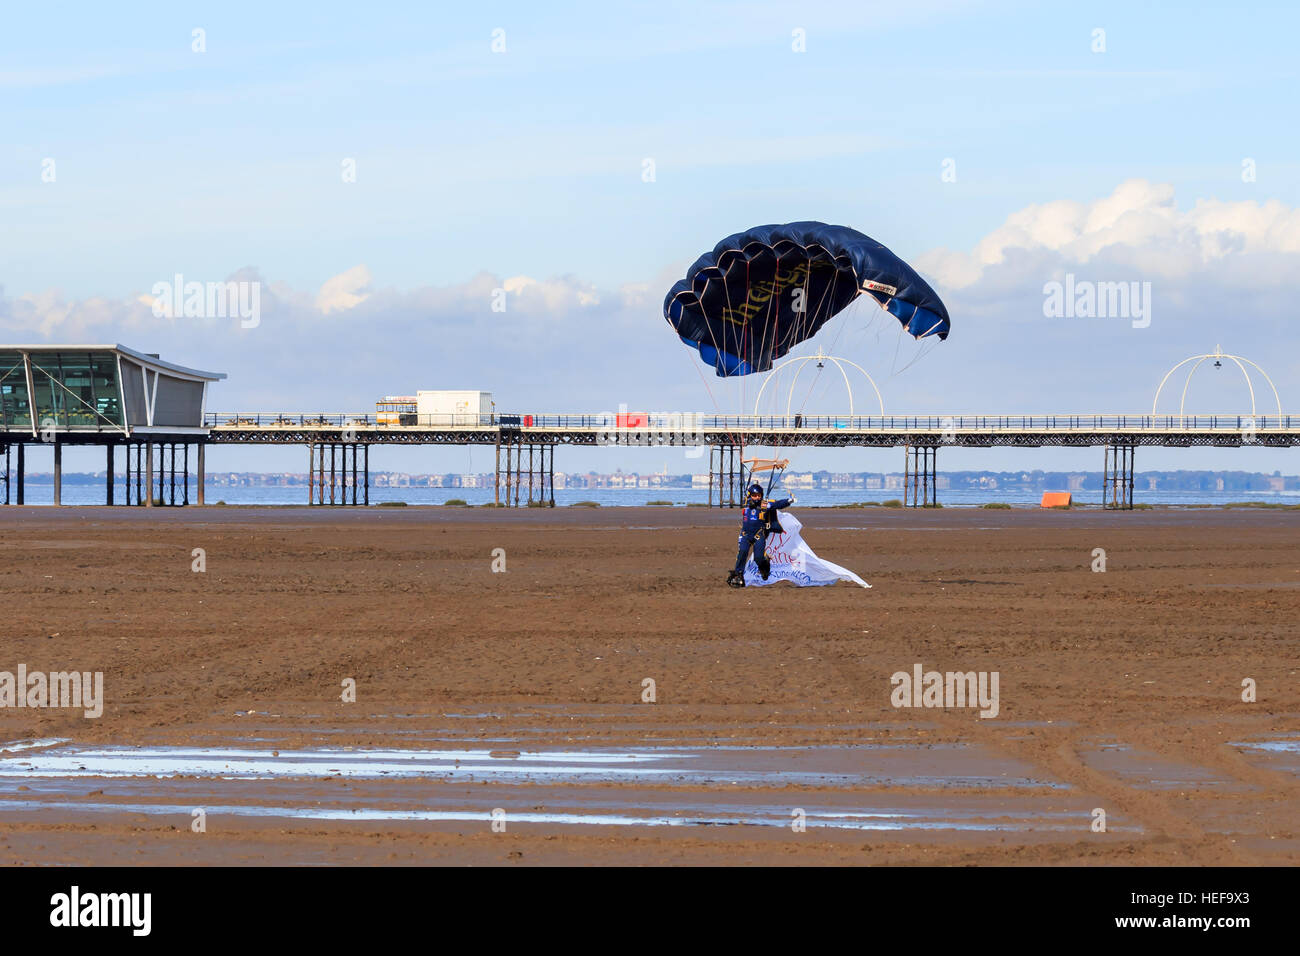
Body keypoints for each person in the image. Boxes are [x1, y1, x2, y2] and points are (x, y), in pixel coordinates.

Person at [727, 483, 796, 587]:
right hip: (745, 535)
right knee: (742, 552)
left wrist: (788, 501)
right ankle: (738, 575)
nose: (757, 497)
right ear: (750, 495)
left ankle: (765, 566)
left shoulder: (765, 505)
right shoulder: (745, 503)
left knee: (758, 558)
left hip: (758, 535)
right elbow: (748, 500)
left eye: (759, 495)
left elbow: (777, 504)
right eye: (754, 495)